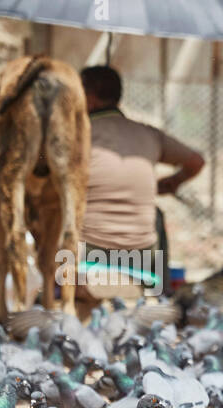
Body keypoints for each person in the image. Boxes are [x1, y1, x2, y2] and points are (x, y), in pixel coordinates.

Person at [78, 65, 205, 299]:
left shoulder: (77, 134)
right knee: (155, 214)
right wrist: (170, 184)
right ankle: (161, 293)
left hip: (87, 255)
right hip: (140, 258)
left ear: (90, 97)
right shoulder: (148, 134)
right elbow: (196, 161)